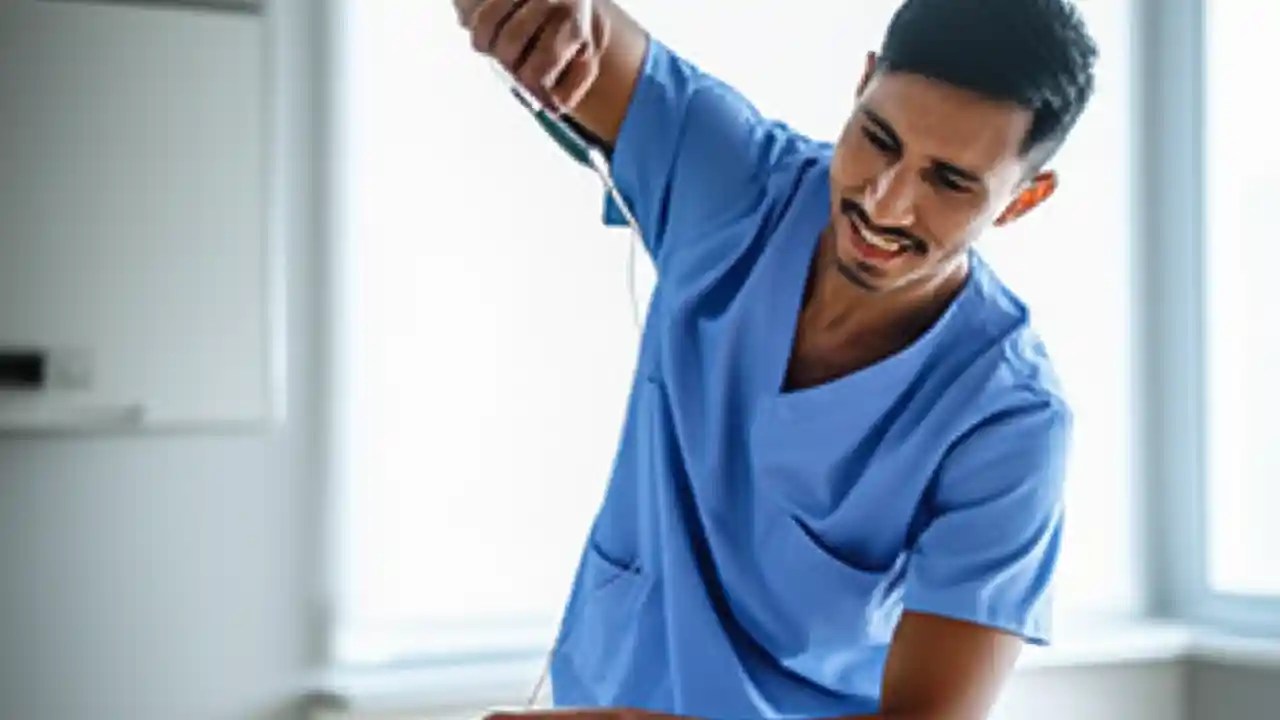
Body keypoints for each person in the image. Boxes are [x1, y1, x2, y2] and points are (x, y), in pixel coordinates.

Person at [453, 0, 1098, 717]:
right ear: (861, 85)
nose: (885, 204)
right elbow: (566, 27)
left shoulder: (1009, 423)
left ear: (1022, 200)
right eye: (879, 139)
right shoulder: (734, 186)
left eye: (948, 183)